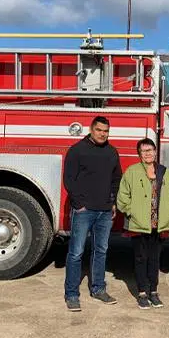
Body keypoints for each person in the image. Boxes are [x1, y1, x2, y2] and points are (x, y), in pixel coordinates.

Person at [63, 116, 122, 312]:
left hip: (105, 212)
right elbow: (69, 179)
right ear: (91, 129)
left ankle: (98, 289)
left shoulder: (112, 152)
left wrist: (112, 202)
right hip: (84, 211)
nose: (102, 134)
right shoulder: (77, 150)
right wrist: (79, 204)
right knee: (76, 253)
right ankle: (72, 294)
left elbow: (116, 179)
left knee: (101, 251)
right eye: (99, 130)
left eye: (106, 131)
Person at [116, 138, 169, 310]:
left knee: (155, 259)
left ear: (155, 151)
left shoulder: (164, 172)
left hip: (158, 225)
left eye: (150, 150)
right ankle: (142, 292)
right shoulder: (132, 171)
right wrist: (131, 212)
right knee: (140, 258)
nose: (147, 153)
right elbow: (123, 197)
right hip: (138, 224)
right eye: (144, 151)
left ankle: (154, 291)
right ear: (139, 154)